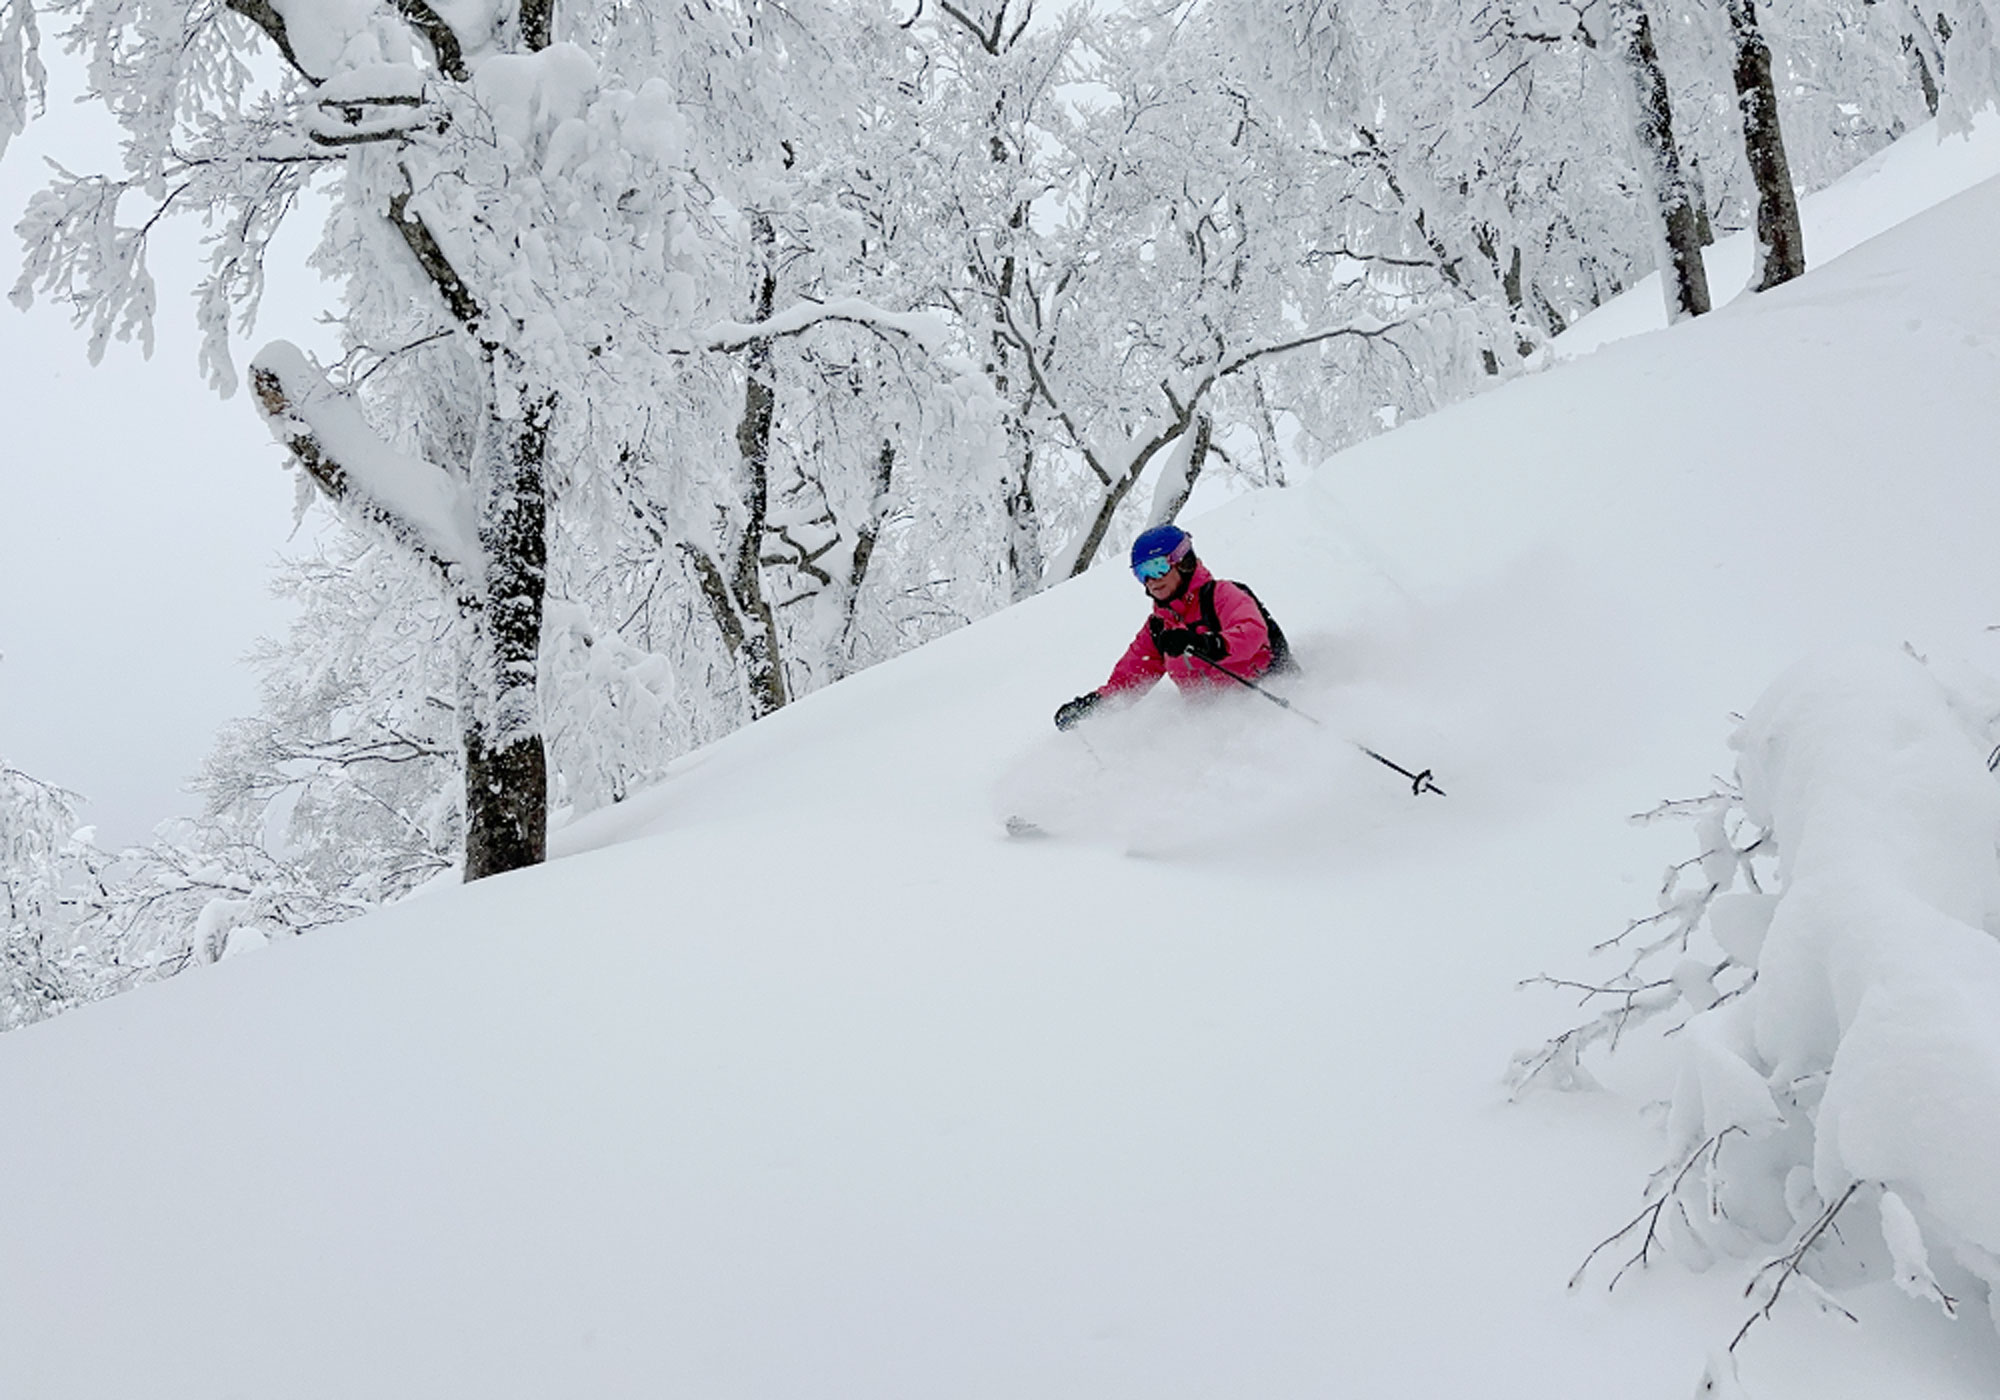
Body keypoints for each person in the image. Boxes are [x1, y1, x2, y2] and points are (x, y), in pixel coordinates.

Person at [1054, 524, 1289, 731]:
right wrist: (1092, 705)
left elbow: (1252, 634)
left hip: (1268, 708)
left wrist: (1204, 644)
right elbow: (1129, 680)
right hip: (1212, 727)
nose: (1151, 580)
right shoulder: (1159, 627)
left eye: (1157, 567)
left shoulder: (1221, 595)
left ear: (1183, 562)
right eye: (1141, 573)